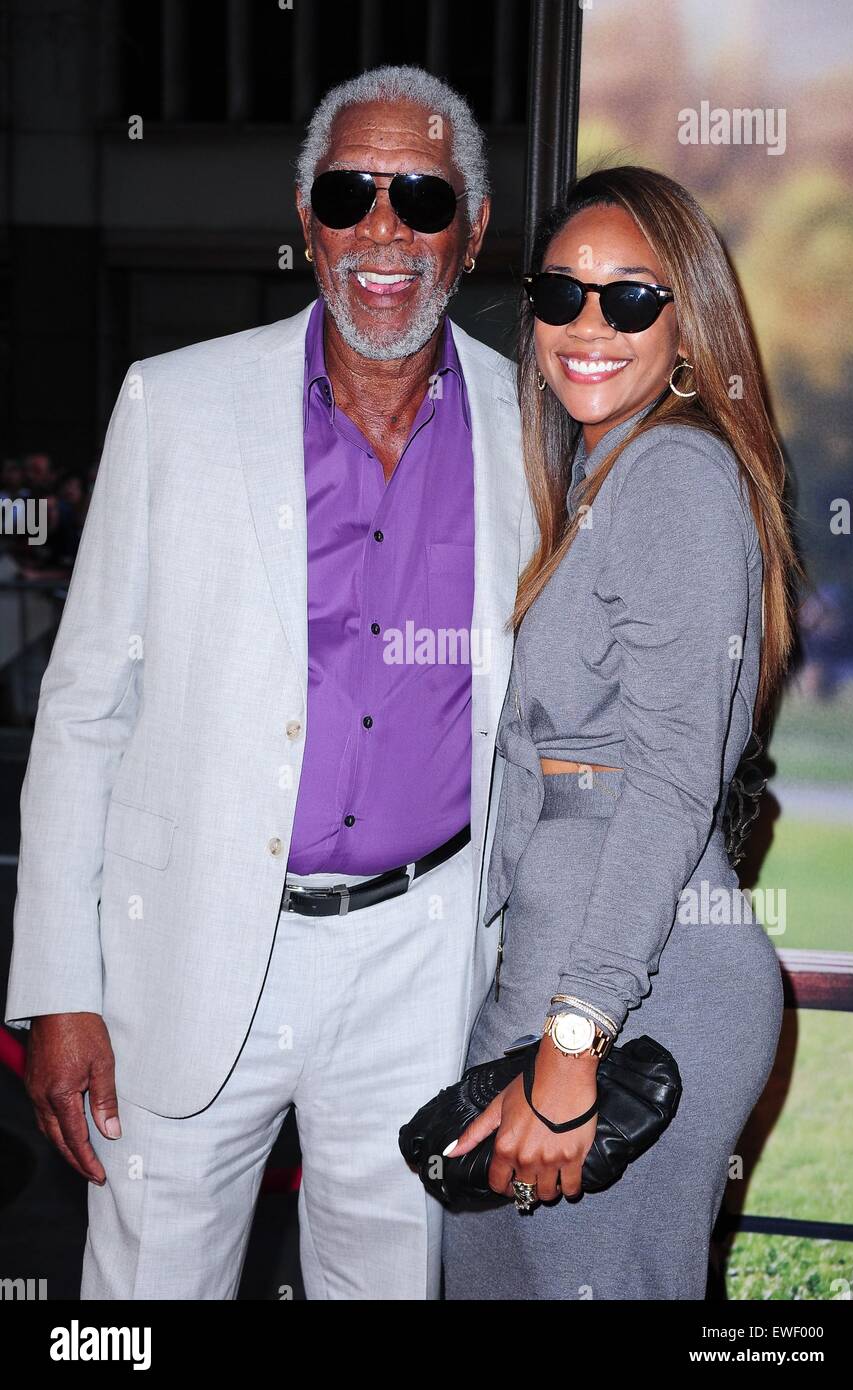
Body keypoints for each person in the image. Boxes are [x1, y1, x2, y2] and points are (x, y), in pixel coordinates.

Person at [5, 64, 536, 1301]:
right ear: (307, 222)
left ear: (473, 230)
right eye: (349, 194)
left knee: (386, 1283)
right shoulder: (177, 405)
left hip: (423, 952)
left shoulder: (533, 433)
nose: (382, 229)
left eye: (420, 195)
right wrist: (58, 993)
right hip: (183, 952)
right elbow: (84, 712)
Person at [441, 166, 800, 1300]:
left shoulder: (674, 475)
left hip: (635, 990)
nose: (587, 326)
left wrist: (572, 1041)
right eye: (561, 293)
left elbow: (665, 786)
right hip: (579, 967)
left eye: (632, 298)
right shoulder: (607, 470)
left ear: (688, 323)